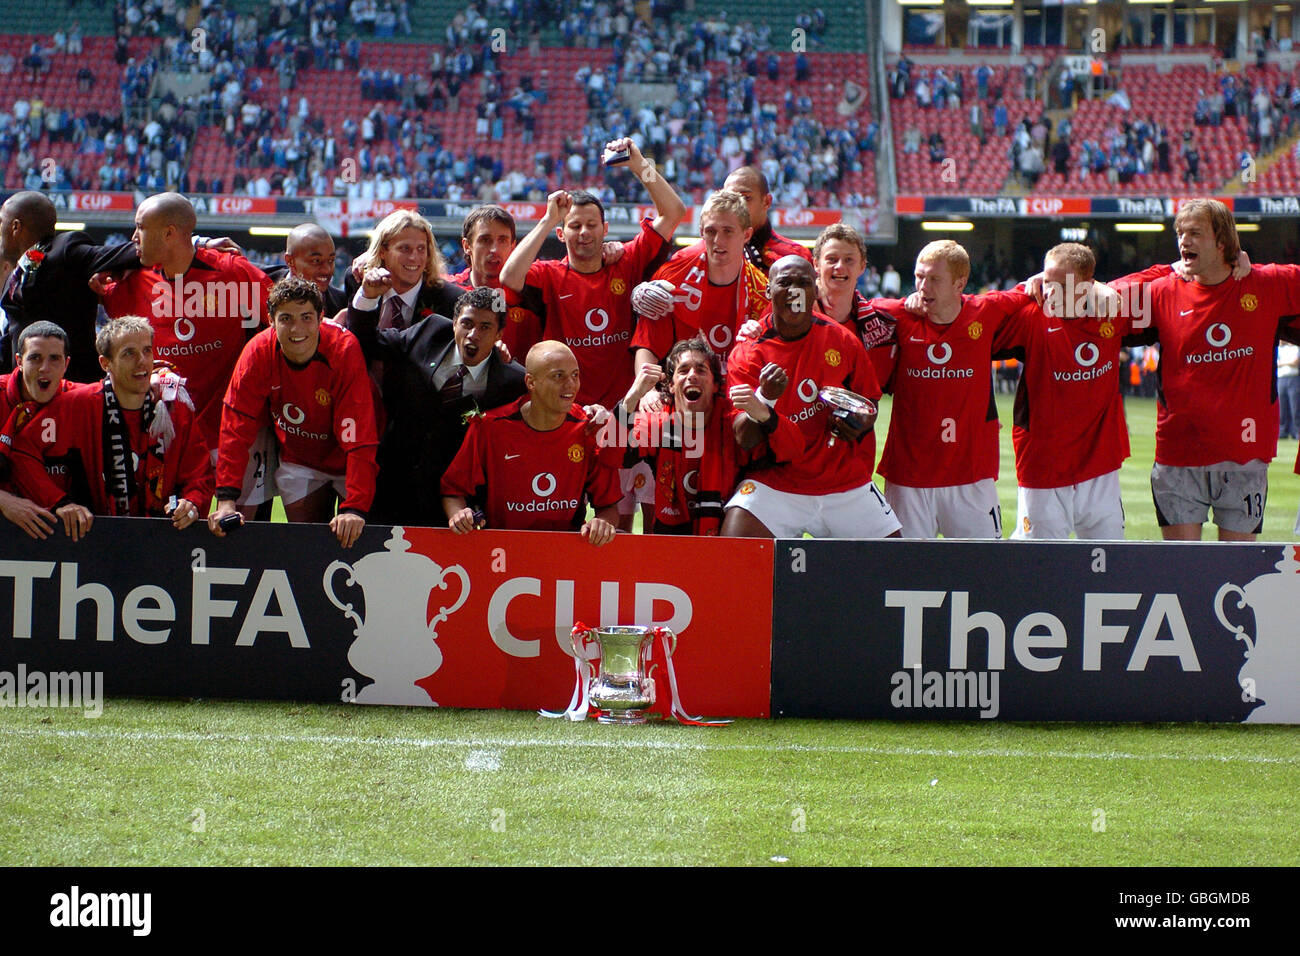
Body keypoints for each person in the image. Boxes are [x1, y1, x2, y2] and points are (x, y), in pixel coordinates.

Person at [500, 137, 685, 530]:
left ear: (605, 227)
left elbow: (673, 212)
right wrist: (548, 219)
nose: (583, 232)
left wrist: (640, 166)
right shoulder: (549, 275)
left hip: (625, 414)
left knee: (626, 521)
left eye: (590, 225)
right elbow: (508, 276)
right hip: (568, 417)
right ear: (563, 234)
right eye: (573, 226)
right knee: (561, 516)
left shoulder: (627, 262)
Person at [1131, 198, 1300, 540]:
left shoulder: (1268, 283)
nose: (1184, 241)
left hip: (1244, 457)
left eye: (1194, 233)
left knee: (1235, 576)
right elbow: (1105, 296)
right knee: (1183, 572)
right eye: (1180, 233)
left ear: (1223, 241)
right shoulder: (1163, 290)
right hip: (1178, 455)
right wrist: (1162, 271)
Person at [721, 256, 900, 539]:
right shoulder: (748, 352)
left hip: (844, 481)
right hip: (777, 483)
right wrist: (765, 398)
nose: (794, 292)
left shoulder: (842, 340)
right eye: (785, 283)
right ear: (768, 291)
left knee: (897, 563)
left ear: (816, 291)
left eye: (803, 283)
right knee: (735, 546)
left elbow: (870, 404)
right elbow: (743, 436)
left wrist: (859, 422)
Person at [1002, 244, 1173, 539]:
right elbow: (980, 308)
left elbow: (1166, 273)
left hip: (1100, 463)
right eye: (1046, 281)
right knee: (1039, 564)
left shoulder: (1113, 307)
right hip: (1043, 465)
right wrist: (1024, 285)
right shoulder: (1030, 315)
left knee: (1107, 558)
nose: (1049, 292)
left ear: (1086, 286)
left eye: (1059, 285)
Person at [871, 241, 1032, 539]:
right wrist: (901, 303)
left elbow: (1030, 291)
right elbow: (862, 307)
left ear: (960, 283)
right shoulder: (901, 316)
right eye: (919, 277)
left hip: (970, 477)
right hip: (909, 479)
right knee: (905, 573)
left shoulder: (985, 310)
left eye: (934, 279)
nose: (922, 286)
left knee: (981, 571)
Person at [97, 192, 273, 453]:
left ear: (169, 233)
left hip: (235, 431)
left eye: (140, 227)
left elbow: (280, 317)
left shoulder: (232, 272)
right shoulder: (132, 283)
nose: (134, 237)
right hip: (168, 433)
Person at [8, 316, 212, 541]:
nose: (142, 362)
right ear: (106, 364)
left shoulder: (174, 406)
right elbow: (23, 451)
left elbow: (200, 472)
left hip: (165, 540)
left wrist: (192, 502)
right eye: (129, 353)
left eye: (147, 351)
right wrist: (59, 502)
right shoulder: (78, 404)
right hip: (97, 542)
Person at [209, 277, 378, 548]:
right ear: (271, 320)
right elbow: (235, 427)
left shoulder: (344, 350)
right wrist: (226, 500)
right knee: (309, 548)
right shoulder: (257, 352)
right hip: (301, 459)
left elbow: (360, 433)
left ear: (321, 317)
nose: (297, 328)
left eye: (306, 317)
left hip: (351, 461)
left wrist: (355, 507)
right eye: (286, 318)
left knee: (355, 544)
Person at [349, 285, 526, 527]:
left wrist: (591, 411)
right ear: (454, 322)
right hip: (391, 482)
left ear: (499, 335)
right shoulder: (428, 332)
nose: (473, 334)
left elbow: (548, 404)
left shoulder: (511, 381)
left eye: (485, 327)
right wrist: (367, 297)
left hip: (453, 504)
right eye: (467, 323)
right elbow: (370, 342)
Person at [442, 340, 620, 544]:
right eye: (558, 376)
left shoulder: (588, 429)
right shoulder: (489, 427)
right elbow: (453, 491)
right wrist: (458, 515)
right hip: (501, 551)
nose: (571, 385)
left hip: (566, 553)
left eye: (575, 375)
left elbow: (609, 507)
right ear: (531, 382)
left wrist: (602, 523)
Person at [616, 336, 789, 535]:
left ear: (716, 385)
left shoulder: (735, 423)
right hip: (671, 532)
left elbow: (791, 449)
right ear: (671, 386)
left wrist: (765, 407)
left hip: (726, 533)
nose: (691, 376)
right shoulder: (658, 422)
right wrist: (632, 397)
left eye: (700, 370)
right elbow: (611, 454)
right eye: (683, 370)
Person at [0, 191, 141, 382]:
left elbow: (127, 253)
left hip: (73, 391)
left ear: (15, 226)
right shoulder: (15, 277)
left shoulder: (65, 251)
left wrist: (190, 243)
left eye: (1, 222)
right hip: (25, 394)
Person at [630, 189, 769, 370]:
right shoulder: (675, 273)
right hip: (682, 388)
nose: (718, 241)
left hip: (736, 388)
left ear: (746, 235)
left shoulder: (761, 290)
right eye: (711, 231)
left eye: (728, 231)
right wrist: (647, 391)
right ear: (701, 232)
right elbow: (647, 344)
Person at [0, 320, 76, 538]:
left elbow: (120, 389)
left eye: (54, 359)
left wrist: (158, 379)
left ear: (66, 364)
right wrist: (3, 501)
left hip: (57, 528)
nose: (45, 368)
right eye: (35, 358)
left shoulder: (79, 399)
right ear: (19, 361)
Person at [346, 208, 466, 336]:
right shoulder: (357, 280)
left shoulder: (451, 299)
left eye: (421, 249)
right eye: (405, 248)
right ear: (382, 251)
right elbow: (354, 342)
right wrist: (367, 298)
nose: (414, 258)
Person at [694, 166, 812, 273]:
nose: (738, 205)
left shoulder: (796, 257)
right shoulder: (696, 257)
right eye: (730, 198)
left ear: (767, 202)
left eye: (746, 198)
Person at [265, 222, 349, 316]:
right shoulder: (258, 284)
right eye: (316, 261)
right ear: (290, 261)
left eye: (331, 260)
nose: (327, 270)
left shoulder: (342, 304)